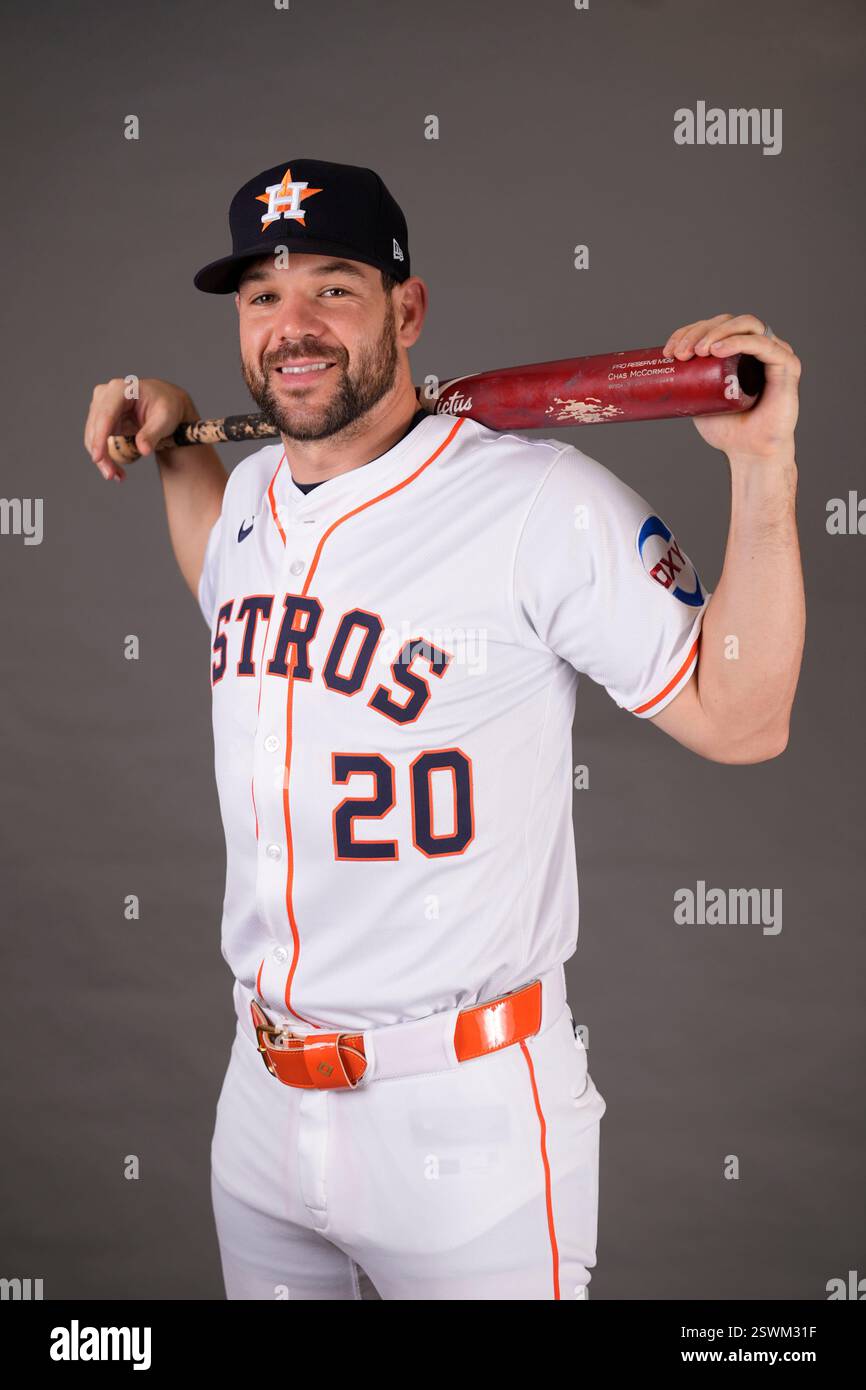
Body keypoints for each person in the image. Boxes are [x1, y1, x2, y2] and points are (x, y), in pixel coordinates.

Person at [83, 158, 804, 1300]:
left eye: (332, 286)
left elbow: (744, 720)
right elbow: (219, 578)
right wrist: (176, 434)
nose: (293, 326)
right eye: (262, 297)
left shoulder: (539, 503)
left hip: (468, 1123)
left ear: (406, 308)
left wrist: (763, 470)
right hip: (259, 1106)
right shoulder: (252, 512)